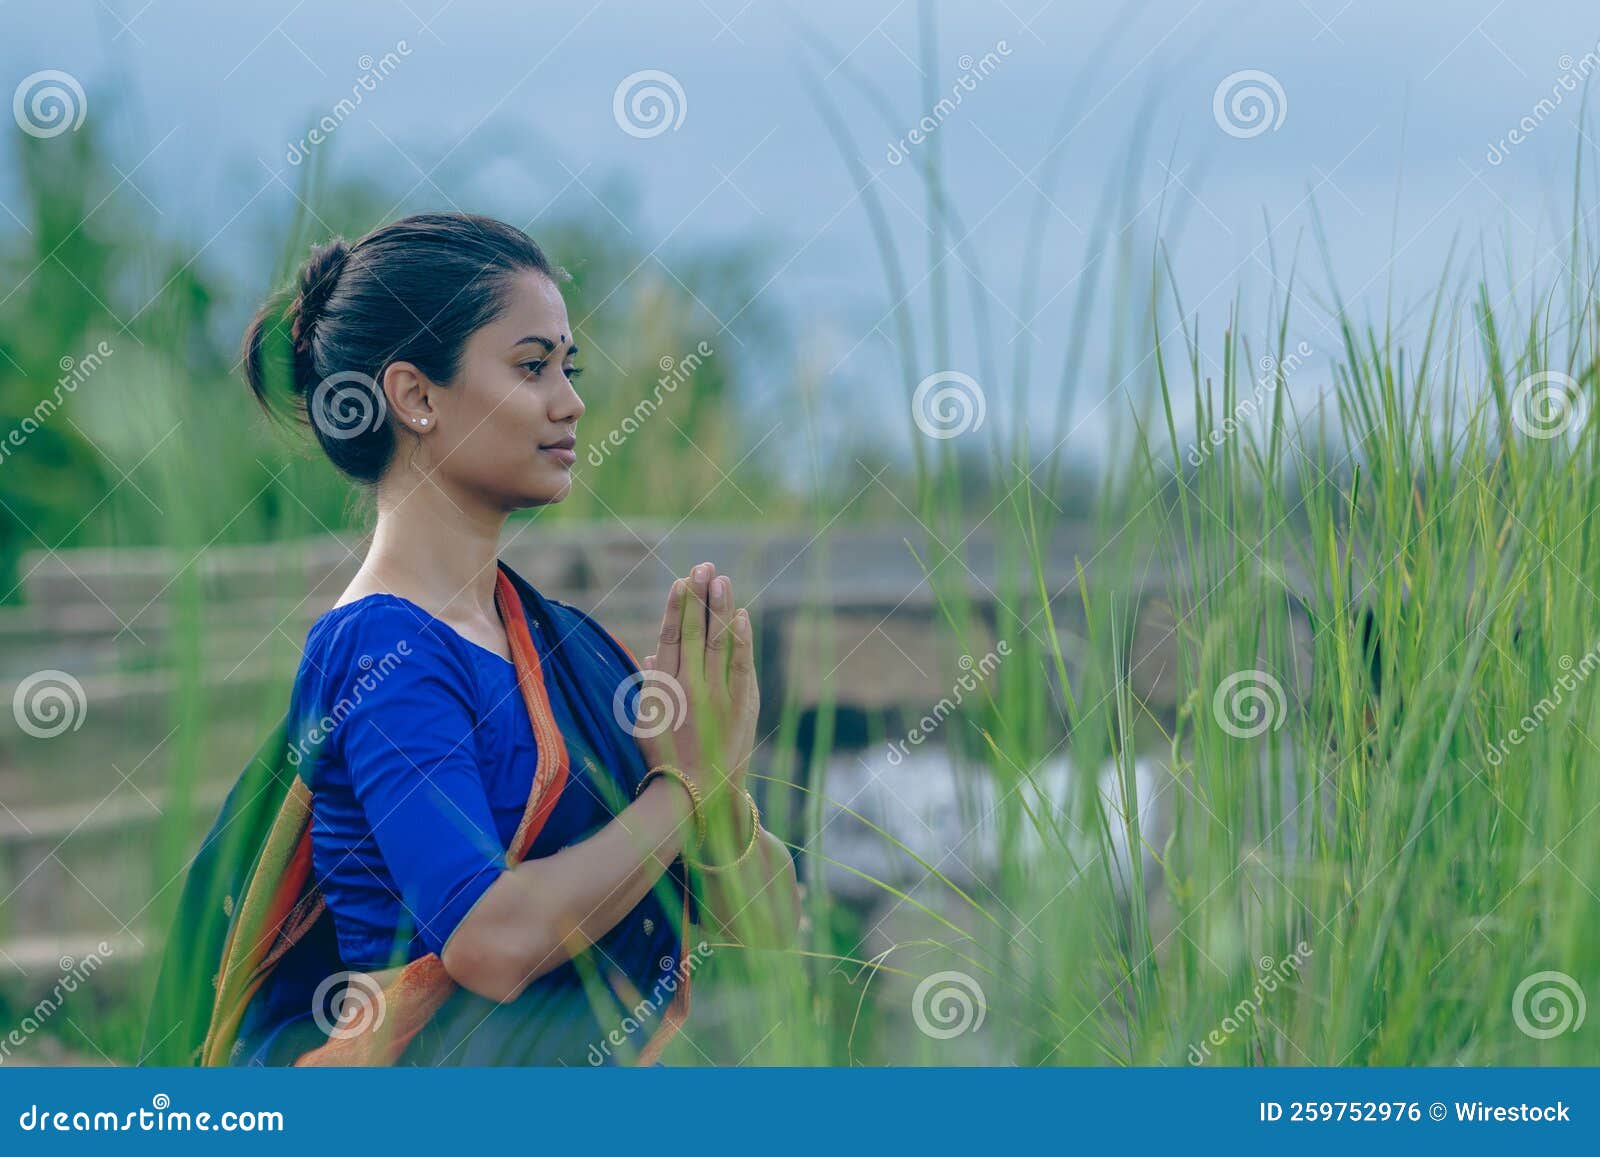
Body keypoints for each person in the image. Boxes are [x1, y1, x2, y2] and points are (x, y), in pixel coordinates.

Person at [142, 211, 800, 1067]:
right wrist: (679, 789)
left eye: (570, 366)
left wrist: (719, 787)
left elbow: (778, 929)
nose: (570, 400)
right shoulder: (386, 653)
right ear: (415, 396)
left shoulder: (565, 646)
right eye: (532, 366)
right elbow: (487, 943)